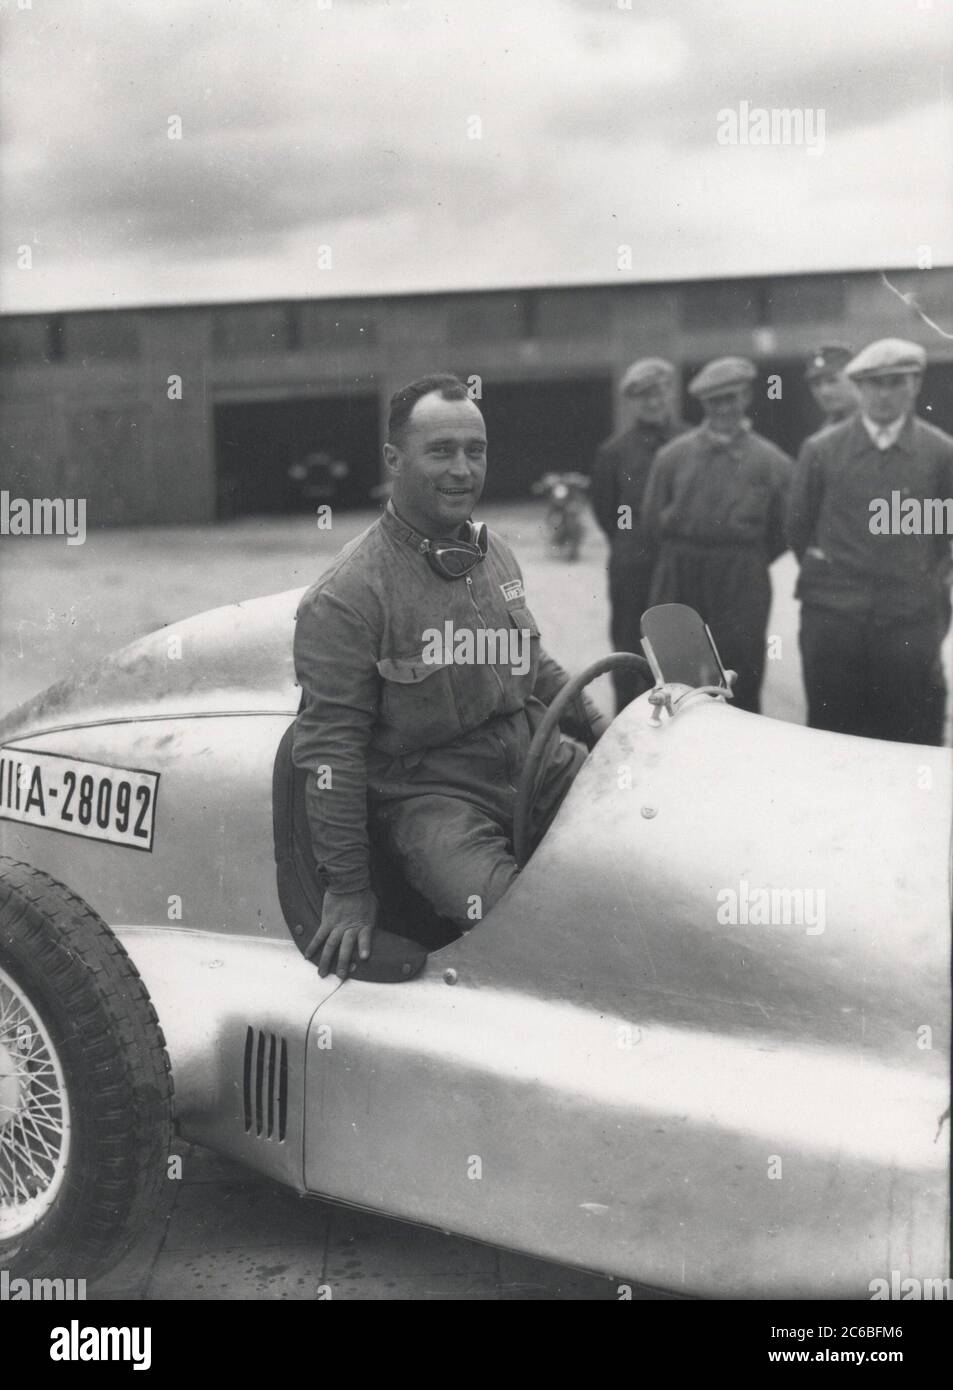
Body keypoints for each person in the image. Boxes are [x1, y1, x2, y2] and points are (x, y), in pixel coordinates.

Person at [292, 373, 606, 978]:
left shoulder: (497, 554)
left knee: (649, 851)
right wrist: (350, 887)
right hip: (434, 800)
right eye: (440, 451)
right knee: (522, 926)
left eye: (476, 451)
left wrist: (606, 733)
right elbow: (330, 751)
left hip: (537, 760)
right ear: (394, 460)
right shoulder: (347, 596)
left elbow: (531, 662)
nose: (463, 470)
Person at [786, 338, 953, 745]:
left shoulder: (940, 453)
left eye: (895, 382)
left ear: (914, 385)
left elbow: (945, 537)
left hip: (907, 623)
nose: (883, 394)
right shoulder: (821, 450)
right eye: (871, 384)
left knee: (910, 740)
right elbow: (798, 529)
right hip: (834, 622)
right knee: (834, 740)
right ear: (858, 389)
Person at [640, 357, 793, 713]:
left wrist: (745, 559)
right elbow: (650, 522)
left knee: (741, 676)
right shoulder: (672, 456)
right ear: (703, 404)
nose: (723, 409)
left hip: (742, 577)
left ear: (746, 397)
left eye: (731, 398)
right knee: (679, 678)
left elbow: (785, 530)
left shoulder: (773, 461)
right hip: (681, 571)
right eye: (714, 401)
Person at [590, 359, 688, 711]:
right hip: (633, 568)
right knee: (631, 657)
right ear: (632, 400)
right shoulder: (615, 452)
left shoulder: (690, 442)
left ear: (669, 392)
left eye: (658, 392)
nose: (653, 401)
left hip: (681, 565)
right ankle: (630, 730)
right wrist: (633, 545)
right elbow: (606, 511)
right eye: (643, 395)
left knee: (683, 655)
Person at [804, 344, 859, 430]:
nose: (824, 391)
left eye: (833, 381)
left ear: (855, 380)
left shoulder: (876, 422)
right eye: (816, 384)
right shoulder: (824, 432)